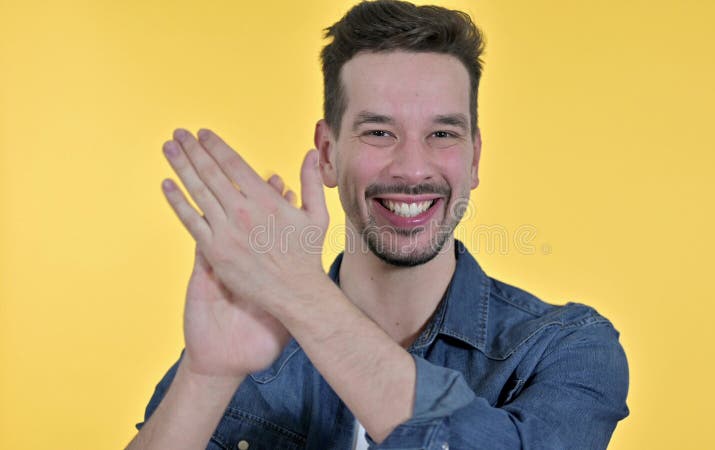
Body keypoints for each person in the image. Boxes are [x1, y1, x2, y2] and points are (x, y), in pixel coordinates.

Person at [126, 1, 630, 449]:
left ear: (474, 159)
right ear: (327, 154)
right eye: (379, 131)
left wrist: (303, 300)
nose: (412, 168)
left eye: (441, 132)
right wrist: (207, 376)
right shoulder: (245, 347)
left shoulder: (565, 348)